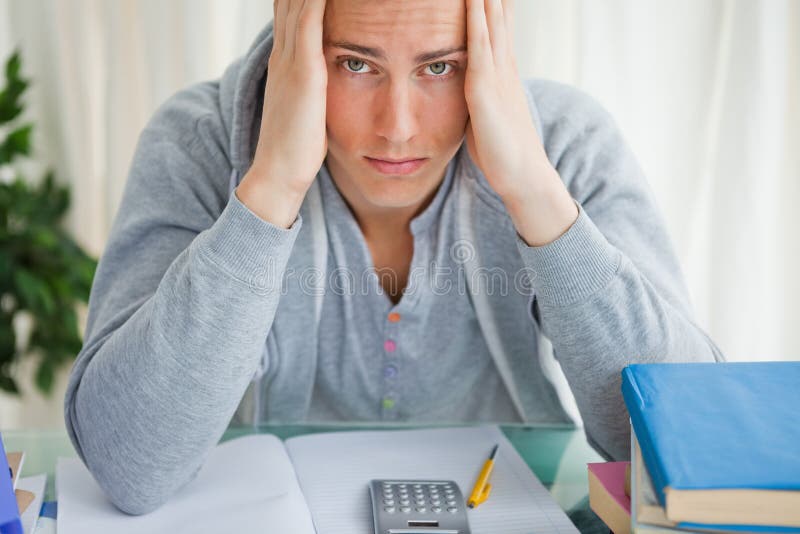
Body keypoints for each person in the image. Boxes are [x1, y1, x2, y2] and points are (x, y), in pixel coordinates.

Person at [63, 0, 724, 516]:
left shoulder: (566, 143)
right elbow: (130, 466)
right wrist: (270, 190)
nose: (399, 125)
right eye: (356, 63)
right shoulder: (199, 142)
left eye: (440, 66)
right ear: (296, 41)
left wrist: (531, 189)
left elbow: (688, 449)